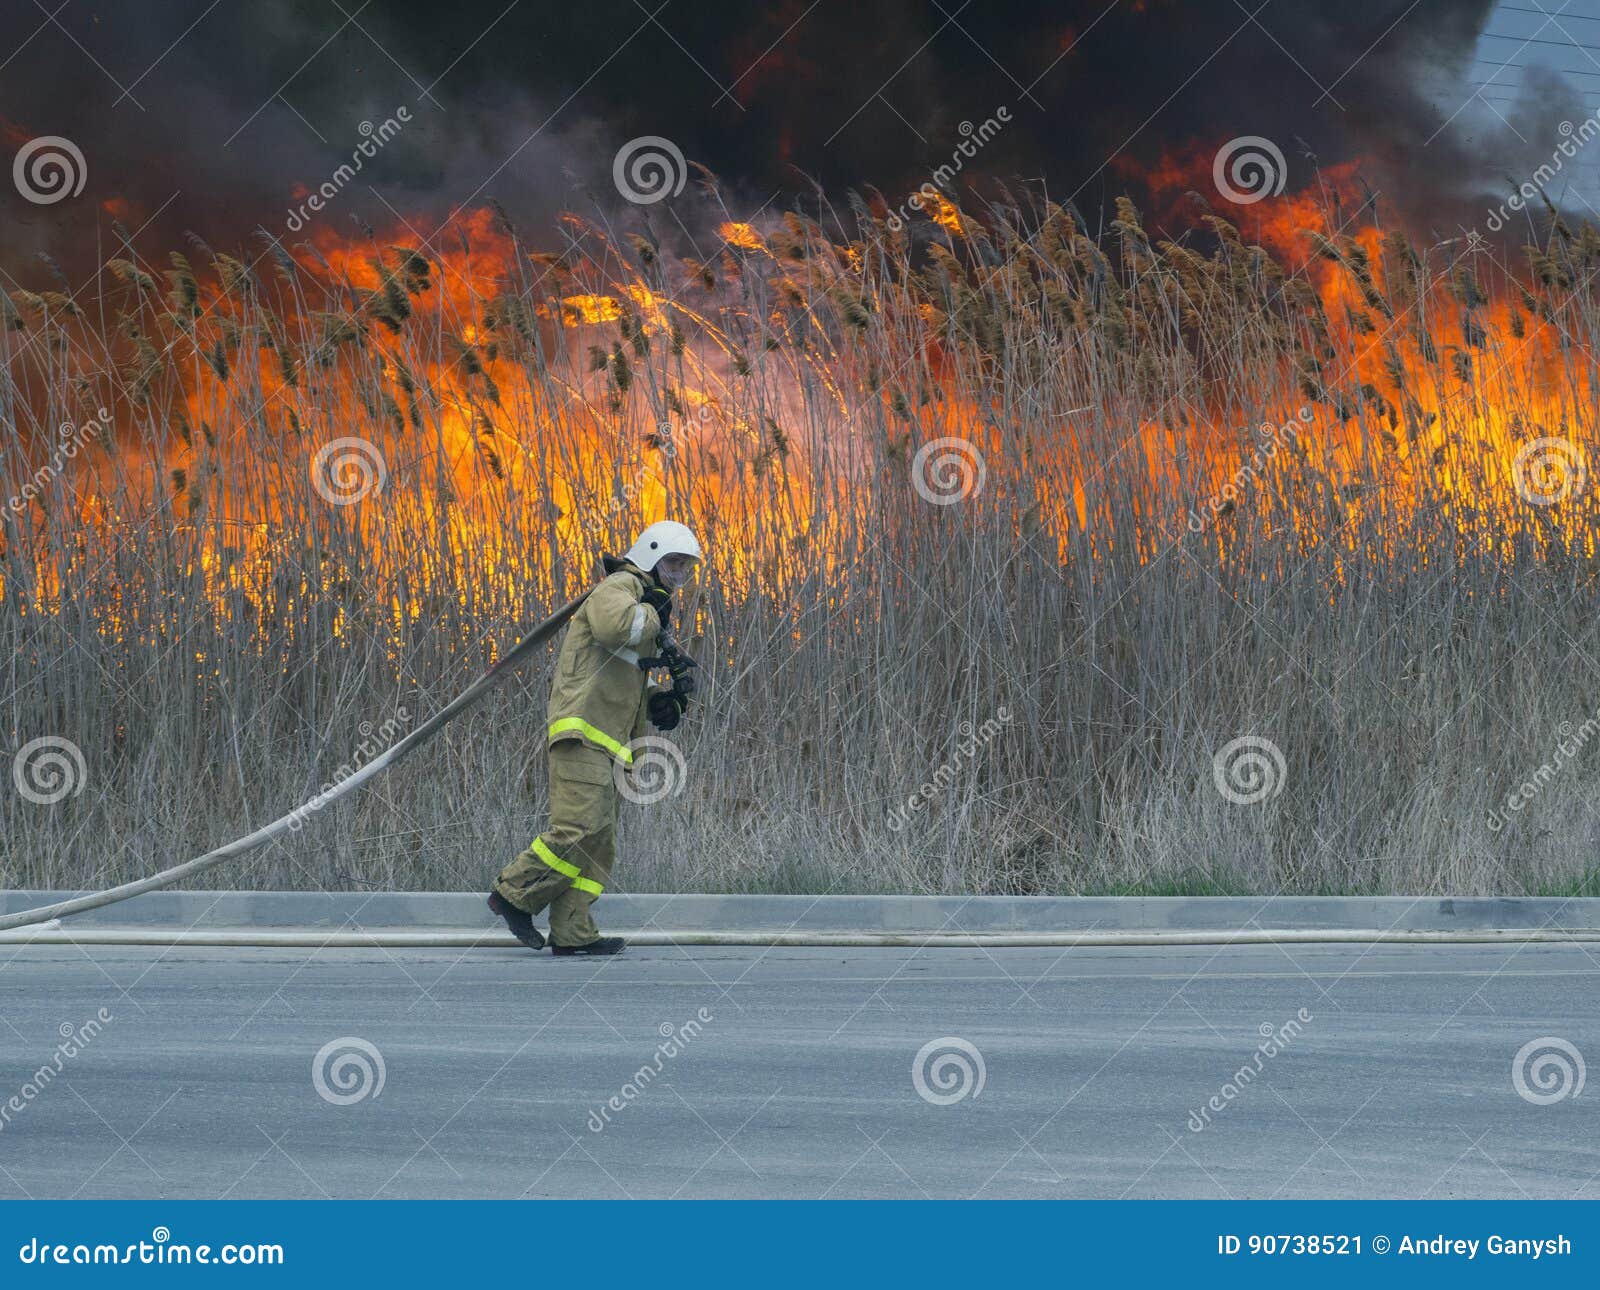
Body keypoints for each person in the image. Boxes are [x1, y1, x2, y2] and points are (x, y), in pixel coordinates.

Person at [487, 521, 702, 955]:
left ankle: (572, 933)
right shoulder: (620, 587)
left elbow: (625, 680)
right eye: (674, 563)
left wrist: (664, 700)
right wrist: (653, 612)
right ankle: (512, 895)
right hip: (582, 732)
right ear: (651, 555)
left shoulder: (645, 604)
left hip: (610, 741)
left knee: (598, 842)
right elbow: (615, 629)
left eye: (686, 567)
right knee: (577, 827)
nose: (680, 574)